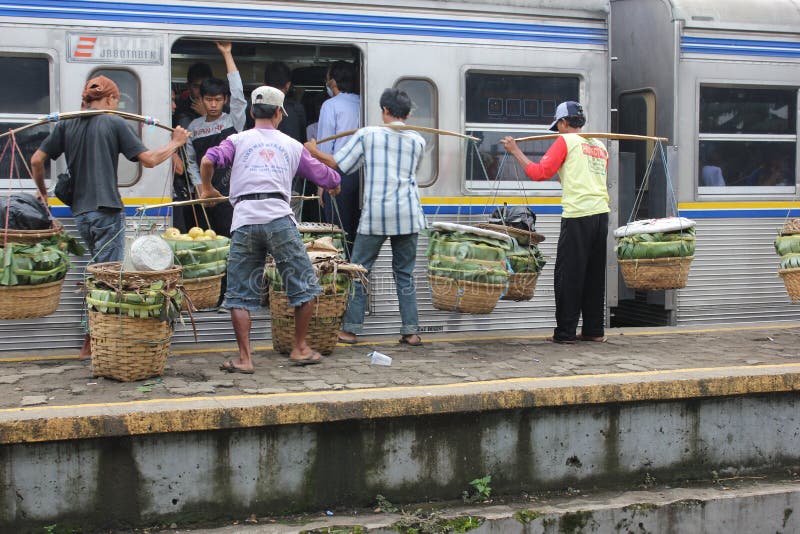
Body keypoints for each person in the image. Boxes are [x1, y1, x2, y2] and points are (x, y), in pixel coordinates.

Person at [30, 75, 191, 358]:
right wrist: (176, 143)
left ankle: (94, 338)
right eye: (117, 100)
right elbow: (150, 160)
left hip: (81, 214)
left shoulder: (68, 124)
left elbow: (36, 160)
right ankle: (92, 342)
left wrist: (43, 193)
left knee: (97, 273)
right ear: (111, 98)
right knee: (107, 279)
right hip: (106, 211)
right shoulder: (114, 122)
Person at [199, 85, 342, 372]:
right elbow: (328, 177)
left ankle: (245, 359)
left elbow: (207, 160)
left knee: (239, 294)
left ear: (252, 112)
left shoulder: (236, 140)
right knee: (305, 287)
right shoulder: (292, 145)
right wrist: (334, 183)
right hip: (279, 219)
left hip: (245, 220)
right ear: (279, 113)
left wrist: (208, 188)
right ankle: (300, 348)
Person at [306, 88, 425, 347]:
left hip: (377, 215)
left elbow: (338, 164)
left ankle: (350, 330)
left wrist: (314, 150)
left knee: (359, 270)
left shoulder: (368, 135)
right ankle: (411, 331)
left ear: (385, 110)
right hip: (409, 214)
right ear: (407, 114)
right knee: (404, 273)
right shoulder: (418, 140)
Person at [500, 101, 609, 344]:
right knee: (593, 275)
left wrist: (515, 150)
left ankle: (565, 333)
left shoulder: (566, 141)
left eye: (558, 124)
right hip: (601, 215)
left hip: (578, 215)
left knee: (569, 275)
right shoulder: (599, 145)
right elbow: (587, 178)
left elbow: (539, 173)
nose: (557, 129)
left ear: (563, 122)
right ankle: (594, 330)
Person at [184, 41, 247, 238]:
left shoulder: (233, 121)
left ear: (225, 100)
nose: (213, 105)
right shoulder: (193, 127)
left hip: (230, 197)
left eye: (218, 100)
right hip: (204, 197)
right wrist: (199, 186)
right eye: (209, 100)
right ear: (200, 99)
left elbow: (238, 95)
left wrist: (227, 54)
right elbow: (191, 162)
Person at [315, 61, 361, 254]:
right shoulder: (363, 101)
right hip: (362, 175)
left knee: (338, 231)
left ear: (333, 82)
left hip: (338, 174)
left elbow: (325, 146)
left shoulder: (330, 105)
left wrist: (321, 183)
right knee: (356, 228)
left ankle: (342, 267)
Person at [264, 61, 308, 218]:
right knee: (292, 223)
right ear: (288, 85)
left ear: (264, 85)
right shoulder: (297, 109)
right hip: (292, 180)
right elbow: (303, 142)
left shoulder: (257, 109)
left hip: (263, 180)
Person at [173, 61, 213, 129]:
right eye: (196, 86)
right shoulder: (180, 109)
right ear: (188, 87)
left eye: (204, 86)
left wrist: (206, 115)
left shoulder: (220, 106)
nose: (201, 91)